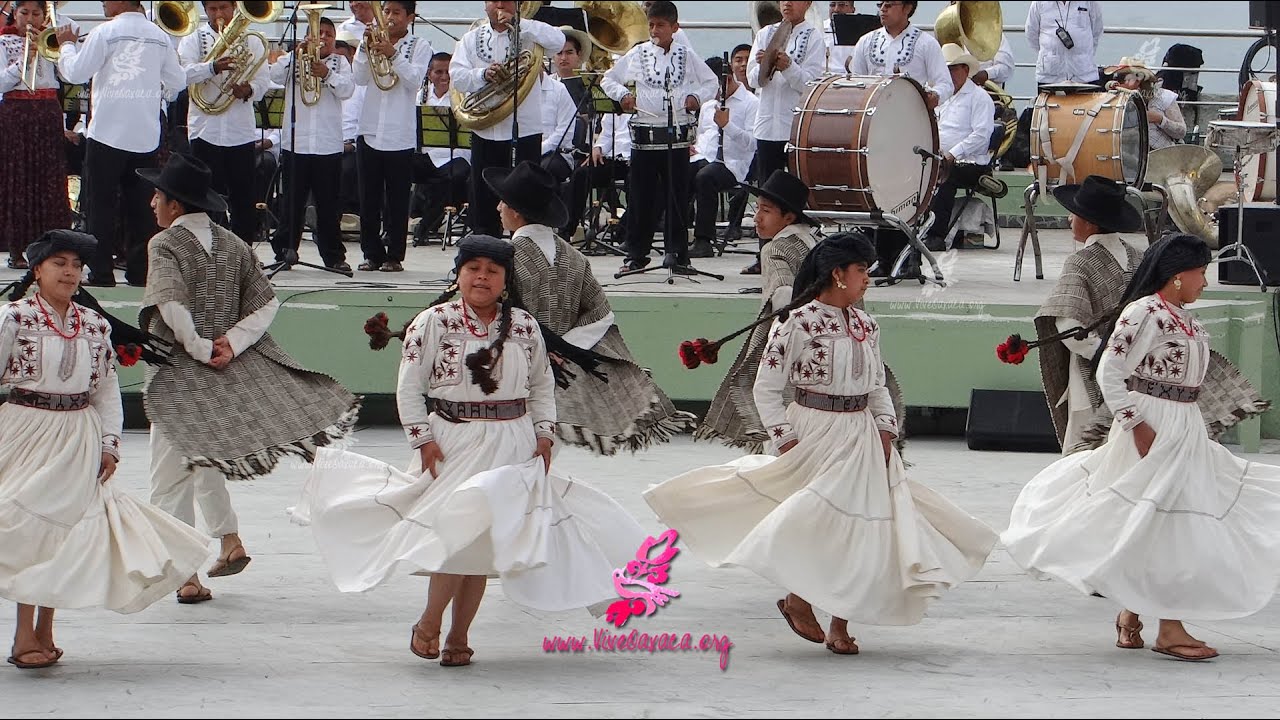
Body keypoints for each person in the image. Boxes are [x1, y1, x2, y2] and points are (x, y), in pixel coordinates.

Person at [296, 234, 647, 668]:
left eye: (492, 271)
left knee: (480, 543)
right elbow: (409, 387)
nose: (482, 277)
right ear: (458, 274)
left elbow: (541, 386)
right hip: (451, 441)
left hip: (513, 441)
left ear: (505, 280)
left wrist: (544, 435)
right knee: (455, 536)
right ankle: (429, 622)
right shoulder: (433, 322)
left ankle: (458, 637)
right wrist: (422, 440)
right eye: (473, 268)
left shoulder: (525, 326)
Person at [648, 232, 996, 655]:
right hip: (812, 429)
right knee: (819, 522)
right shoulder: (795, 322)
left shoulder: (867, 324)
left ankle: (839, 622)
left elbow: (877, 384)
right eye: (862, 270)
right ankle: (799, 598)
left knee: (863, 527)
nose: (868, 278)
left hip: (861, 433)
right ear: (838, 274)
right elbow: (766, 388)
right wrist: (786, 440)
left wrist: (886, 429)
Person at [1003, 233, 1280, 662]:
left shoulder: (1185, 318)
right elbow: (1110, 371)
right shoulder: (1144, 312)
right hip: (1153, 425)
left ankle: (1132, 614)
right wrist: (1135, 424)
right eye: (1200, 273)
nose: (1204, 282)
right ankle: (1169, 628)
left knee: (1155, 519)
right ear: (1176, 276)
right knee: (1168, 522)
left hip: (1183, 426)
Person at [136, 153, 359, 603]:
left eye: (158, 196)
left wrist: (199, 348)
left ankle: (186, 574)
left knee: (168, 478)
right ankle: (229, 539)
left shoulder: (164, 245)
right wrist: (231, 344)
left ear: (175, 205)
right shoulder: (233, 243)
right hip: (223, 372)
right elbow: (267, 302)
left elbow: (170, 305)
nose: (153, 203)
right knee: (205, 458)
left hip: (180, 375)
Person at [0, 230, 210, 669]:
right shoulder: (14, 319)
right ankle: (23, 634)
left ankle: (44, 630)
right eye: (59, 263)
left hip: (77, 433)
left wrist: (110, 444)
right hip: (24, 427)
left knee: (66, 531)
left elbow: (106, 390)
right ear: (36, 270)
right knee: (25, 527)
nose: (70, 272)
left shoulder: (94, 325)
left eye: (76, 265)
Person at [488, 161, 697, 452]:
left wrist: (549, 348)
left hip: (511, 376)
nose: (498, 207)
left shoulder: (505, 258)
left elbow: (495, 314)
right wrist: (566, 349)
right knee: (538, 459)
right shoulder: (574, 257)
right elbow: (600, 314)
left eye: (503, 202)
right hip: (557, 381)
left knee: (507, 461)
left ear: (516, 211)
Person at [56, 0, 186, 287]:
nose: (103, 2)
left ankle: (101, 272)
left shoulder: (105, 32)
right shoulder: (160, 36)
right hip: (144, 134)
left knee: (99, 205)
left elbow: (75, 73)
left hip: (107, 133)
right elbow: (177, 81)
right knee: (142, 208)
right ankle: (140, 272)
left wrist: (66, 45)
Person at [602, 0, 717, 274]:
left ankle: (676, 252)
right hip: (644, 135)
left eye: (660, 25)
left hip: (676, 136)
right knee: (641, 197)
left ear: (674, 27)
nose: (654, 30)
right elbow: (608, 79)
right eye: (651, 24)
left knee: (676, 196)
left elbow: (711, 82)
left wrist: (695, 97)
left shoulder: (686, 56)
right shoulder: (637, 53)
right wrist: (624, 96)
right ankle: (636, 253)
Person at [1033, 176, 1144, 454]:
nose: (1070, 220)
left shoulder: (1079, 262)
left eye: (1075, 214)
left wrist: (1105, 355)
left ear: (1089, 222)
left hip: (1090, 371)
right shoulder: (1140, 258)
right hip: (1138, 369)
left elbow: (1069, 324)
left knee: (1085, 453)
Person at [850, 0, 951, 275]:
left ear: (907, 8)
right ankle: (882, 258)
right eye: (880, 4)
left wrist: (934, 96)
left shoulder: (925, 44)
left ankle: (908, 259)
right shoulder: (866, 42)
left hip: (909, 130)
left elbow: (945, 82)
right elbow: (855, 81)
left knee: (904, 191)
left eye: (890, 4)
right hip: (874, 131)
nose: (883, 9)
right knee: (878, 189)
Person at [450, 1, 565, 237]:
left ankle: (525, 246)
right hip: (486, 127)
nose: (500, 5)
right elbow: (458, 77)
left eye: (507, 1)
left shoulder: (530, 34)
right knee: (483, 194)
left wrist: (519, 23)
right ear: (485, 6)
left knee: (526, 197)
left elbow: (558, 41)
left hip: (525, 128)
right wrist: (483, 74)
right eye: (494, 1)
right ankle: (485, 247)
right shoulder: (471, 39)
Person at [179, 0, 271, 245]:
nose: (219, 14)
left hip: (239, 130)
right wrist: (211, 67)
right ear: (205, 10)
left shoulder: (252, 39)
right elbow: (183, 74)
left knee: (243, 197)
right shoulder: (193, 39)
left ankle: (243, 252)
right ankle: (204, 248)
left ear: (234, 8)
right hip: (204, 129)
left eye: (224, 8)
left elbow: (264, 81)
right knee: (203, 195)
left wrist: (249, 89)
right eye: (212, 9)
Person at [267, 14, 354, 271]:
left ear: (335, 39)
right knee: (291, 203)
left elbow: (347, 90)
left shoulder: (340, 62)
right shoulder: (295, 58)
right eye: (319, 33)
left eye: (328, 34)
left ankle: (333, 256)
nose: (323, 38)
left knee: (328, 205)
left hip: (327, 144)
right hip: (297, 142)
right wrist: (296, 54)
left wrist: (326, 74)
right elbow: (274, 76)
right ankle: (285, 251)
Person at [352, 0, 430, 272]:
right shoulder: (371, 41)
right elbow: (359, 78)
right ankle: (371, 253)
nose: (389, 17)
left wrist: (392, 54)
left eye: (396, 12)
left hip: (399, 132)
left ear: (409, 17)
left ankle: (394, 255)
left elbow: (415, 80)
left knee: (397, 199)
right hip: (370, 128)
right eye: (385, 11)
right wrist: (364, 48)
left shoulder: (420, 45)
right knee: (369, 197)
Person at [0, 1, 69, 268]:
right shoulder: (4, 43)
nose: (30, 19)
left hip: (47, 110)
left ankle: (51, 246)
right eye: (24, 13)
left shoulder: (49, 39)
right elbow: (2, 83)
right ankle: (18, 249)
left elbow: (67, 75)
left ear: (44, 16)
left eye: (36, 13)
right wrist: (23, 62)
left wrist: (61, 48)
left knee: (49, 177)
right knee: (20, 178)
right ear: (14, 14)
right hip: (17, 111)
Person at [922, 44, 994, 252]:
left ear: (965, 70)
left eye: (953, 69)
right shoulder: (940, 97)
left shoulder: (980, 98)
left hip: (970, 163)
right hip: (938, 157)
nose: (949, 75)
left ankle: (936, 235)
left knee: (946, 177)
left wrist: (953, 154)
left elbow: (982, 135)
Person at [687, 55, 757, 260]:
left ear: (725, 80)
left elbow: (753, 144)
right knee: (675, 170)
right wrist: (692, 148)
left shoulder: (750, 103)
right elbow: (701, 135)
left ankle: (703, 240)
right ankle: (675, 235)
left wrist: (728, 126)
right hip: (703, 157)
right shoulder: (708, 105)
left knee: (704, 177)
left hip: (732, 164)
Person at [411, 51, 470, 244]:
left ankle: (426, 225)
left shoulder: (462, 97)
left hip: (457, 155)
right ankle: (395, 222)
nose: (444, 77)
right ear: (429, 74)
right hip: (429, 154)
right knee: (397, 169)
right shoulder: (420, 97)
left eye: (448, 72)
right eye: (439, 72)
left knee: (451, 176)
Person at [1106, 56, 1187, 150]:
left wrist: (1160, 119)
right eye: (1116, 77)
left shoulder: (1164, 97)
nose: (1117, 82)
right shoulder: (1115, 99)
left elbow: (1181, 132)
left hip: (1163, 156)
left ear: (1137, 80)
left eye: (1121, 78)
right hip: (1129, 156)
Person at [1025, 1, 1103, 88]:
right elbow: (1031, 33)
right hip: (1049, 77)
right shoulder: (1038, 3)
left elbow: (1097, 30)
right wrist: (1049, 54)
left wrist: (1084, 54)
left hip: (1084, 75)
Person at [822, 0, 855, 75]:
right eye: (832, 5)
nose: (836, 9)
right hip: (823, 78)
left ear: (852, 9)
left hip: (850, 79)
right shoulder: (819, 28)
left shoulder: (861, 31)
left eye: (841, 5)